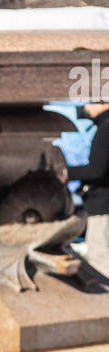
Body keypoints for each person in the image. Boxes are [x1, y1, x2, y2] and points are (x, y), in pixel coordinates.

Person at [73, 102, 109, 277]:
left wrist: (67, 172)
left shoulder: (105, 128)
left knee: (99, 257)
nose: (85, 107)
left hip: (103, 204)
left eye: (90, 102)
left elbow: (97, 170)